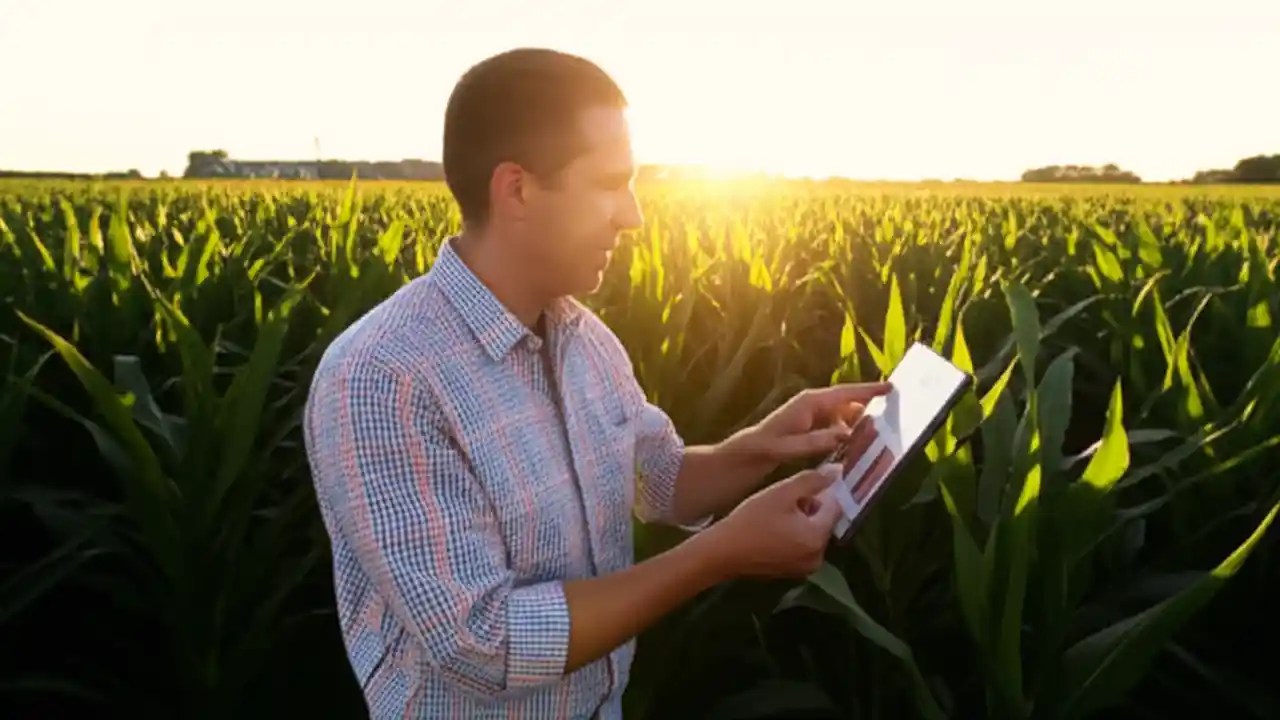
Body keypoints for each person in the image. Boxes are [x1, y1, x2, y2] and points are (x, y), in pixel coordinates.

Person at [302, 47, 891, 720]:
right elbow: (483, 642)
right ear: (516, 189)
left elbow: (653, 477)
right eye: (610, 183)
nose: (634, 216)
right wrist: (718, 554)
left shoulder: (583, 338)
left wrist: (762, 445)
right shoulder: (383, 378)